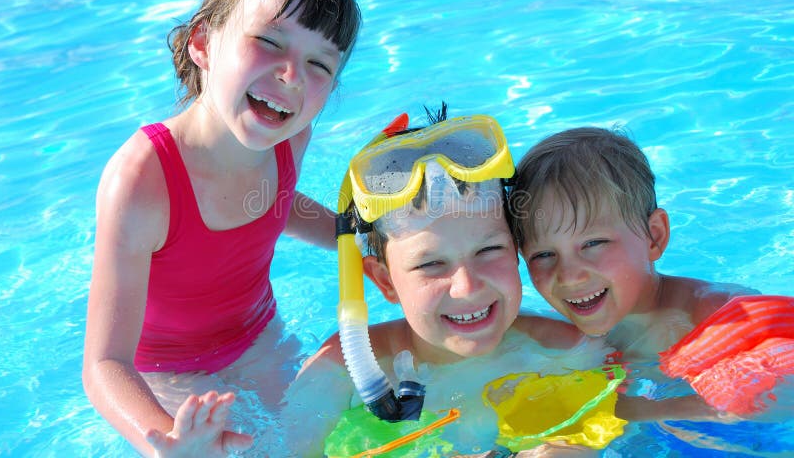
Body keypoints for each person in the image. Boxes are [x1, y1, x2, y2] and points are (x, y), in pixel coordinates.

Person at [82, 0, 361, 457]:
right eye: (269, 41)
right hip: (173, 379)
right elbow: (104, 365)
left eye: (319, 63)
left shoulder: (290, 135)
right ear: (203, 42)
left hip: (261, 339)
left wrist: (359, 242)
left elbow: (277, 201)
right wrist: (165, 441)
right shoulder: (143, 179)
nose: (292, 75)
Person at [277, 110, 616, 457]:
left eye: (488, 250)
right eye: (432, 264)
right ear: (385, 281)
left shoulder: (563, 351)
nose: (467, 287)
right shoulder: (340, 369)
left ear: (516, 249)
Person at [508, 126, 757, 361]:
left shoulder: (717, 315)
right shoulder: (558, 330)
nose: (569, 277)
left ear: (654, 237)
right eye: (543, 255)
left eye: (593, 243)